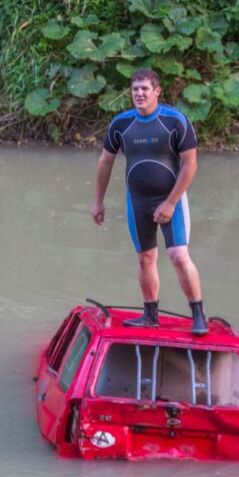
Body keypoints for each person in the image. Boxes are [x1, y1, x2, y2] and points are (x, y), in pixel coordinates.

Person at [91, 68, 208, 335]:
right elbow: (105, 162)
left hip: (171, 199)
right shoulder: (121, 124)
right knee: (145, 259)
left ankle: (198, 314)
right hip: (137, 201)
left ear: (157, 91)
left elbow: (190, 164)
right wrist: (98, 201)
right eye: (135, 89)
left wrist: (170, 203)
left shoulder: (175, 121)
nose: (139, 94)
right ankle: (150, 315)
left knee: (178, 256)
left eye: (145, 88)